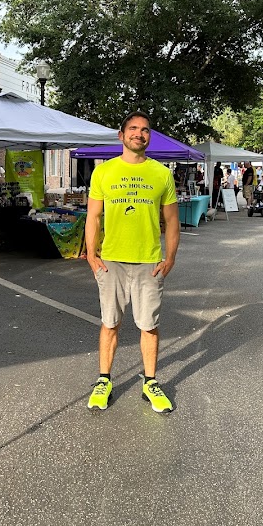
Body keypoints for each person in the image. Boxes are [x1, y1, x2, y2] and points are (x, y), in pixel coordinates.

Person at [85, 111, 180, 414]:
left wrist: (170, 258)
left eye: (145, 130)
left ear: (149, 137)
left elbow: (173, 221)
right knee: (110, 322)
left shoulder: (161, 174)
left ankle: (150, 382)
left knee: (148, 326)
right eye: (133, 129)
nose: (139, 133)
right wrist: (90, 254)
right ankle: (104, 380)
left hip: (148, 262)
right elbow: (93, 217)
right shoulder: (103, 172)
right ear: (121, 135)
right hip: (112, 261)